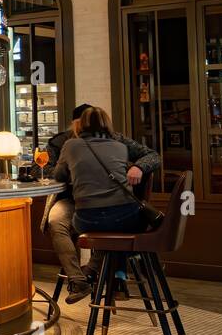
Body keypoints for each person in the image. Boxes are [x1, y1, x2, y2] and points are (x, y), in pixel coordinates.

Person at [42, 103, 159, 303]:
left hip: (86, 209)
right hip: (72, 200)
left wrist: (139, 167)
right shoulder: (60, 141)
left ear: (81, 125)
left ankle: (90, 274)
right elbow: (41, 170)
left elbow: (153, 156)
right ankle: (81, 278)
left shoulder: (109, 141)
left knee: (102, 224)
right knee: (56, 221)